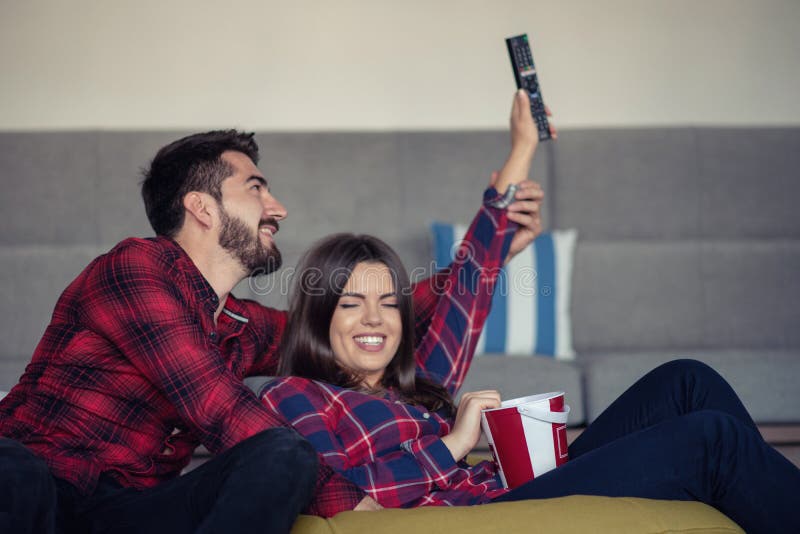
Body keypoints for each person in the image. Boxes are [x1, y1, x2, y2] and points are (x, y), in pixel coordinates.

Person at [0, 93, 548, 534]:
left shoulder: (241, 327)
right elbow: (216, 407)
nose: (278, 208)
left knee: (284, 453)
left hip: (127, 510)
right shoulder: (135, 269)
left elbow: (360, 314)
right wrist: (358, 507)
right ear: (202, 206)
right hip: (43, 482)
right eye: (256, 188)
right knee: (15, 472)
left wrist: (493, 245)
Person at [260, 99, 800, 534]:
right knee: (711, 439)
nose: (374, 319)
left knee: (687, 380)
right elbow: (337, 492)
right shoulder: (294, 396)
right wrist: (452, 445)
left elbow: (466, 293)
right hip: (490, 510)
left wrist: (522, 148)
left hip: (513, 483)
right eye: (351, 303)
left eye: (387, 303)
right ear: (320, 317)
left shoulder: (416, 381)